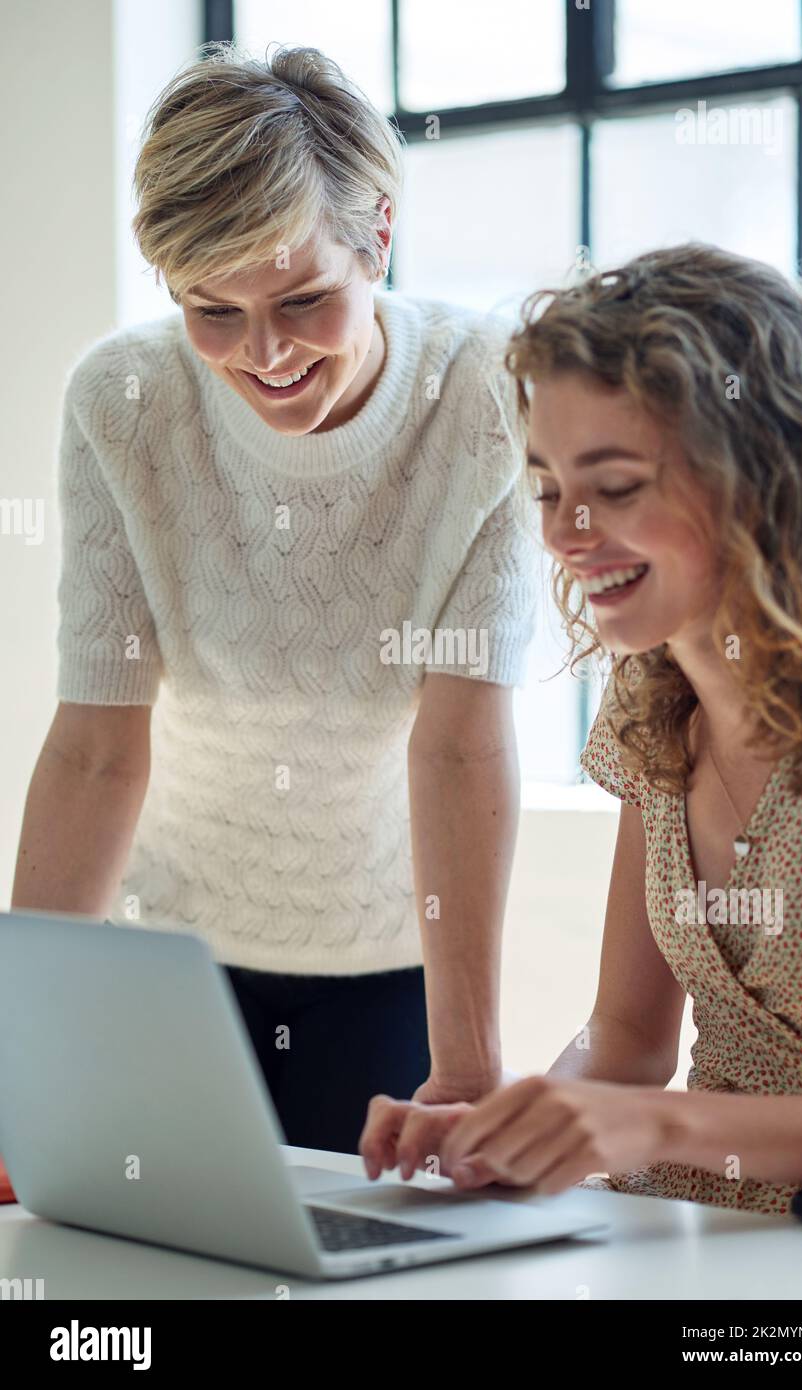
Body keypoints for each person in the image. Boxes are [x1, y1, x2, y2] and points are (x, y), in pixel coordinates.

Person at [8, 44, 537, 1164]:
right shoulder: (123, 400)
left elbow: (458, 745)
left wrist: (473, 1066)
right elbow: (98, 747)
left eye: (303, 299)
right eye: (213, 308)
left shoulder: (487, 394)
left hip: (390, 960)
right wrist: (26, 1043)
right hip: (170, 963)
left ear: (378, 235)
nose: (266, 354)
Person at [361, 243, 802, 1215]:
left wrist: (664, 1125)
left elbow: (650, 1107)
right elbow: (626, 1044)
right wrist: (514, 1124)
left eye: (618, 486)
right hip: (691, 1239)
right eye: (549, 488)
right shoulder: (652, 699)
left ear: (762, 472)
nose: (563, 532)